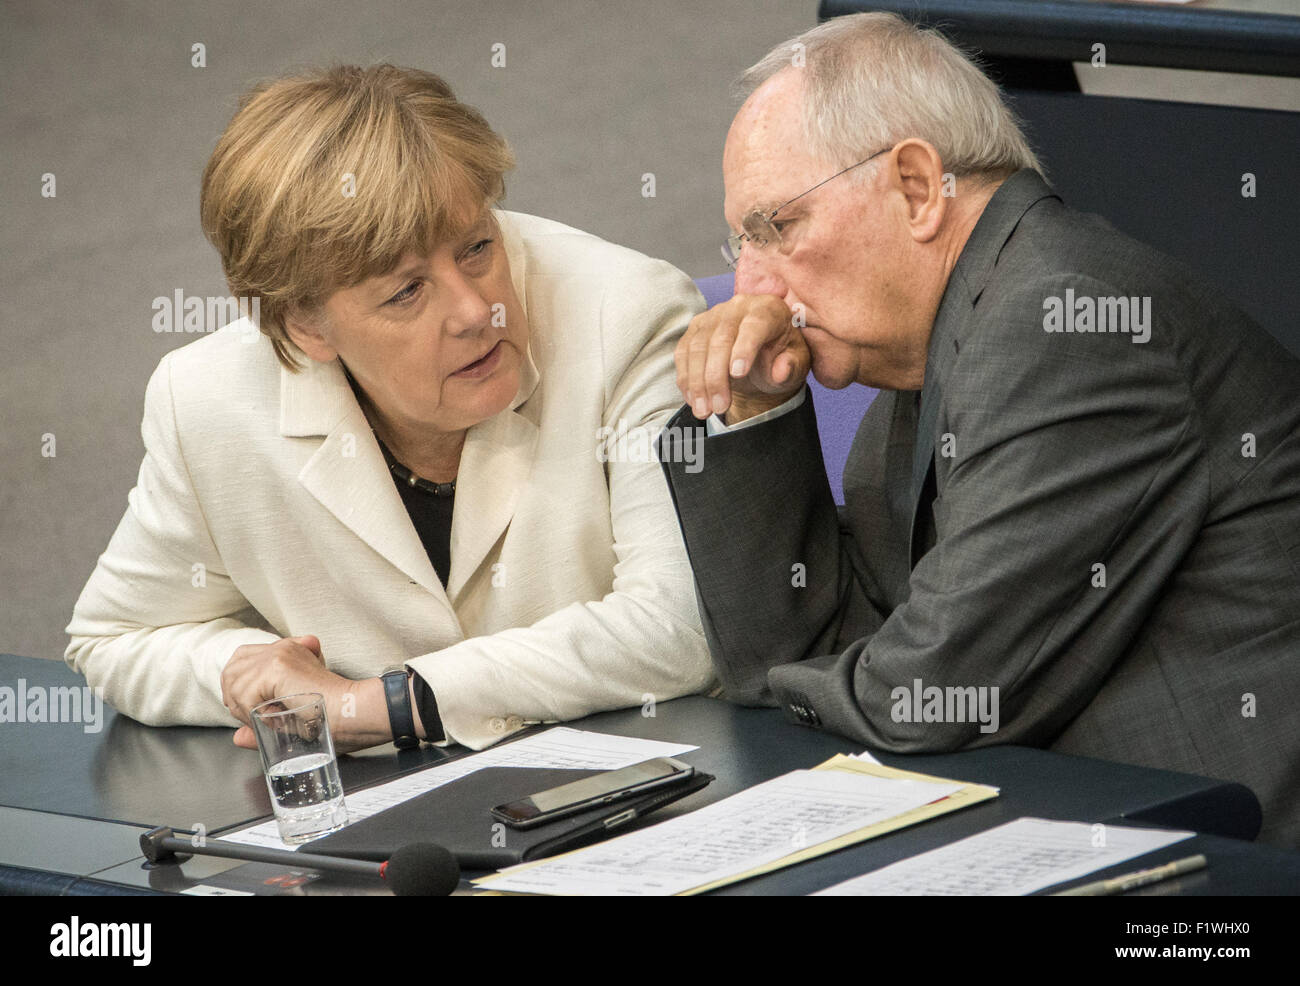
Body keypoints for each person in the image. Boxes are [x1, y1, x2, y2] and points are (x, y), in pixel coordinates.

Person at [660, 13, 1300, 846]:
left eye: (777, 228)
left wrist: (793, 690)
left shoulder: (1062, 328)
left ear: (919, 188)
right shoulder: (947, 334)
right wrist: (754, 416)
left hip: (1231, 862)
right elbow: (822, 646)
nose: (752, 286)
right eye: (740, 240)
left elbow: (931, 692)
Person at [66, 64, 715, 753]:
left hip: (645, 786)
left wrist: (377, 705)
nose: (475, 310)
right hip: (403, 838)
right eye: (406, 292)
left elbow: (680, 626)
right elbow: (115, 636)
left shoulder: (629, 315)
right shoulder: (208, 400)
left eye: (476, 248)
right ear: (305, 327)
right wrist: (242, 671)